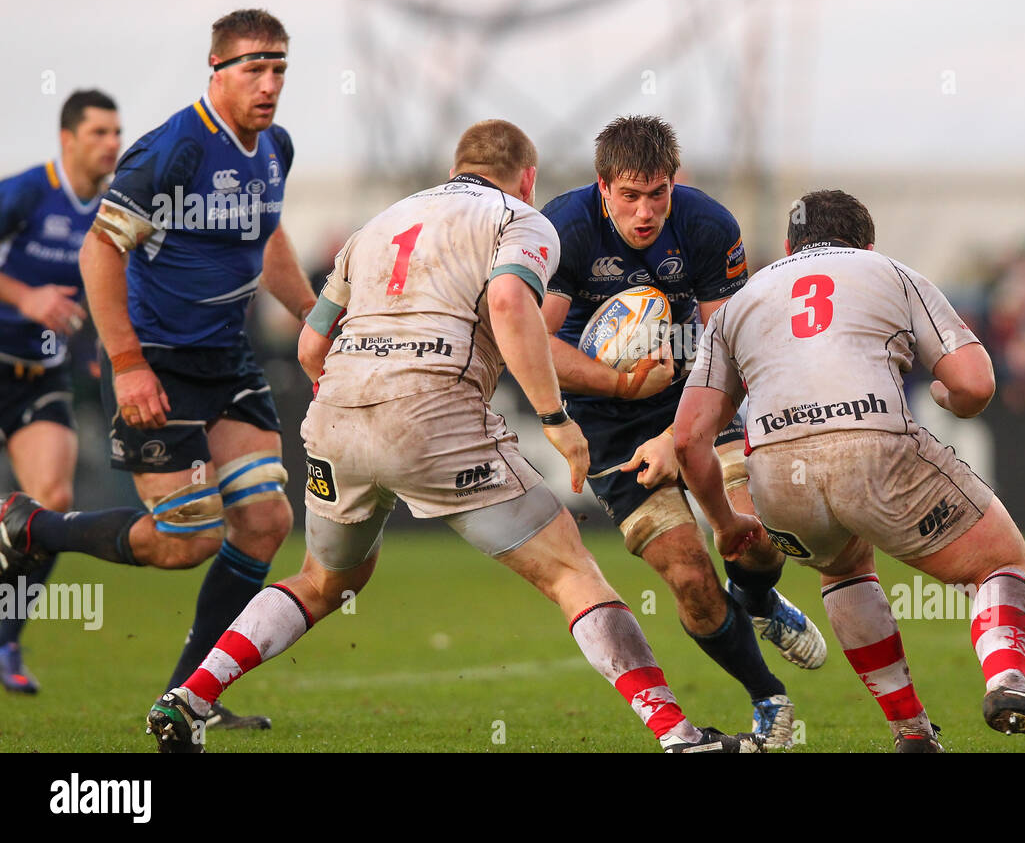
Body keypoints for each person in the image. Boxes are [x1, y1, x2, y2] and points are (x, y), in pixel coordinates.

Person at [144, 119, 761, 754]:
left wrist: (360, 396)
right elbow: (509, 306)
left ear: (453, 170)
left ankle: (191, 695)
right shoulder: (521, 220)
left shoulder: (376, 227)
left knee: (324, 582)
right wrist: (555, 418)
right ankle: (682, 738)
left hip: (335, 420)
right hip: (436, 418)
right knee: (573, 574)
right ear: (528, 178)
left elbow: (310, 345)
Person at [673, 189, 1025, 752]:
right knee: (1000, 561)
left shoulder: (740, 301)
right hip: (872, 445)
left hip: (778, 473)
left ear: (787, 246)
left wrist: (725, 523)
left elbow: (688, 440)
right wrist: (952, 401)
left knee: (844, 570)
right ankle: (1006, 680)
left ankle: (910, 731)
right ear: (868, 244)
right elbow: (975, 382)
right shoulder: (892, 273)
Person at [0, 9, 317, 731]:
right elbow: (98, 252)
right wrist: (128, 365)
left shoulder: (276, 147)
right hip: (158, 361)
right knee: (186, 541)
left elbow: (266, 239)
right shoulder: (174, 149)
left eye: (280, 71)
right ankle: (33, 524)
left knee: (266, 521)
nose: (270, 85)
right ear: (216, 69)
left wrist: (313, 317)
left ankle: (188, 699)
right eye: (254, 70)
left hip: (226, 359)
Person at [538, 116, 826, 749]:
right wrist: (616, 387)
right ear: (603, 186)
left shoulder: (707, 226)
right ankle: (768, 696)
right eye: (630, 196)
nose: (645, 212)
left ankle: (756, 597)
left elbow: (734, 350)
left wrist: (678, 434)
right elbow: (531, 346)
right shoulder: (565, 229)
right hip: (609, 426)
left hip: (697, 400)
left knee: (755, 537)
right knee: (691, 576)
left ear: (675, 183)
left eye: (658, 193)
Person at [0, 90, 121, 692]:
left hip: (40, 376)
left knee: (48, 500)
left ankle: (4, 641)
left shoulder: (111, 213)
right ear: (67, 138)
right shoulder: (27, 191)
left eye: (117, 132)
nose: (112, 144)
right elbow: (35, 290)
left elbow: (109, 289)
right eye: (99, 132)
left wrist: (107, 348)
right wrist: (24, 296)